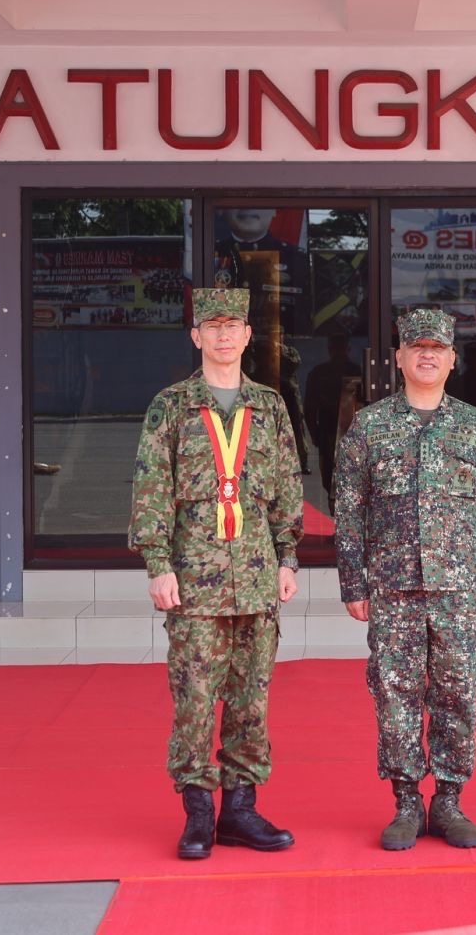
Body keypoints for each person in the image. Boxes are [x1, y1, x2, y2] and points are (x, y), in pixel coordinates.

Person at [128, 288, 303, 862]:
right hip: (195, 580)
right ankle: (198, 813)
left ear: (249, 336)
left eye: (235, 327)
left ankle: (241, 810)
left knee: (252, 700)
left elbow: (286, 487)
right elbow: (151, 488)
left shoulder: (271, 406)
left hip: (256, 577)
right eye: (214, 327)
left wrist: (287, 556)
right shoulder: (171, 406)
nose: (225, 336)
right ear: (196, 336)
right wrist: (158, 565)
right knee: (195, 699)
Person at [334, 308, 476, 852]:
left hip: (459, 591)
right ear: (399, 358)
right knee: (396, 692)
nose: (427, 355)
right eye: (416, 348)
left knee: (459, 690)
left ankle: (451, 800)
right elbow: (349, 509)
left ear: (452, 359)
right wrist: (354, 584)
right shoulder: (369, 426)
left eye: (437, 348)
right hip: (393, 589)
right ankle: (407, 801)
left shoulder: (475, 426)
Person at [306, 332, 361, 506]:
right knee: (330, 477)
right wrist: (315, 435)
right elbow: (310, 408)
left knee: (335, 478)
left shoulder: (355, 371)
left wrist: (315, 435)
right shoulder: (320, 373)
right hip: (329, 432)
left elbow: (309, 409)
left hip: (347, 434)